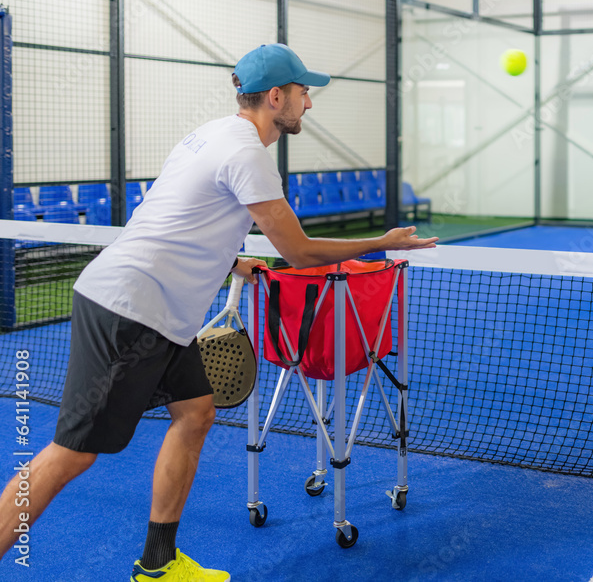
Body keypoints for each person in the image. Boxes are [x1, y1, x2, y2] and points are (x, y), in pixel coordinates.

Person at [0, 43, 438, 581]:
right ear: (275, 97)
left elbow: (178, 215)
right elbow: (298, 251)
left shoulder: (207, 135)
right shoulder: (247, 153)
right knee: (71, 454)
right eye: (303, 92)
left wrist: (232, 259)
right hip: (130, 309)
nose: (308, 103)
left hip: (161, 313)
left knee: (196, 413)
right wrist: (383, 241)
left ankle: (158, 564)